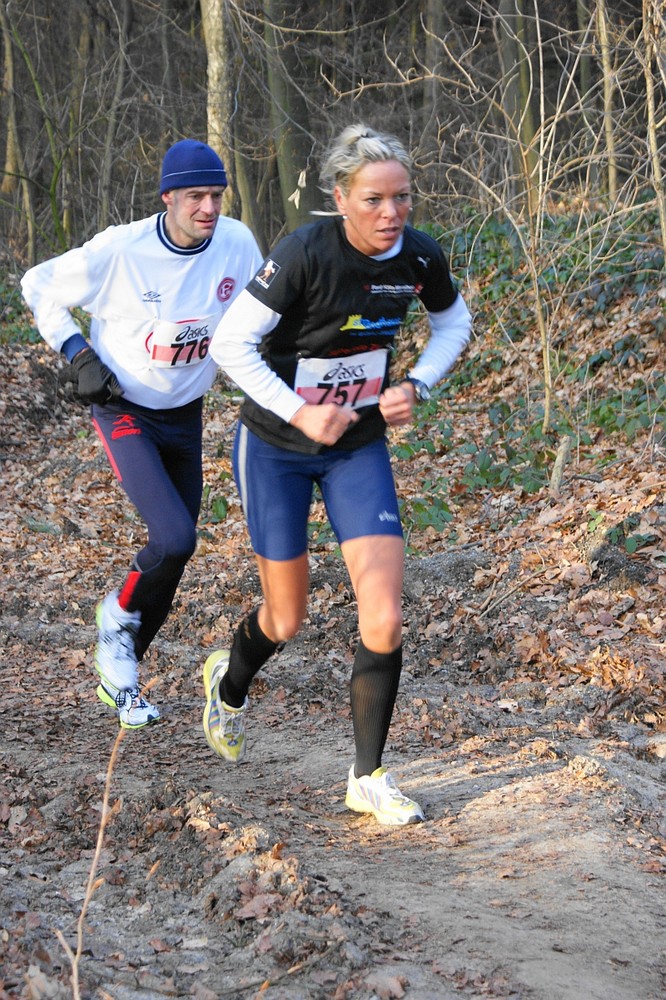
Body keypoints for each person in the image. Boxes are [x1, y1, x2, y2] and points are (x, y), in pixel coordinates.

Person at [203, 123, 472, 826]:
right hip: (275, 449)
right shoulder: (302, 253)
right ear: (341, 198)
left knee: (383, 613)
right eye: (375, 200)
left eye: (403, 199)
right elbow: (231, 343)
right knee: (286, 618)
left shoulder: (417, 256)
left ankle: (368, 776)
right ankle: (229, 685)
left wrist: (419, 384)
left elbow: (454, 323)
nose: (392, 214)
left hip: (357, 446)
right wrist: (298, 410)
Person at [21, 139, 262, 730]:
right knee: (174, 536)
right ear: (168, 197)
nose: (208, 208)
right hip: (124, 408)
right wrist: (77, 351)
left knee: (176, 554)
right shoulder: (120, 251)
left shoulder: (236, 243)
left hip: (186, 411)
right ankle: (115, 624)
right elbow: (37, 283)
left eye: (216, 195)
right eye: (195, 197)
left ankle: (122, 670)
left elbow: (263, 312)